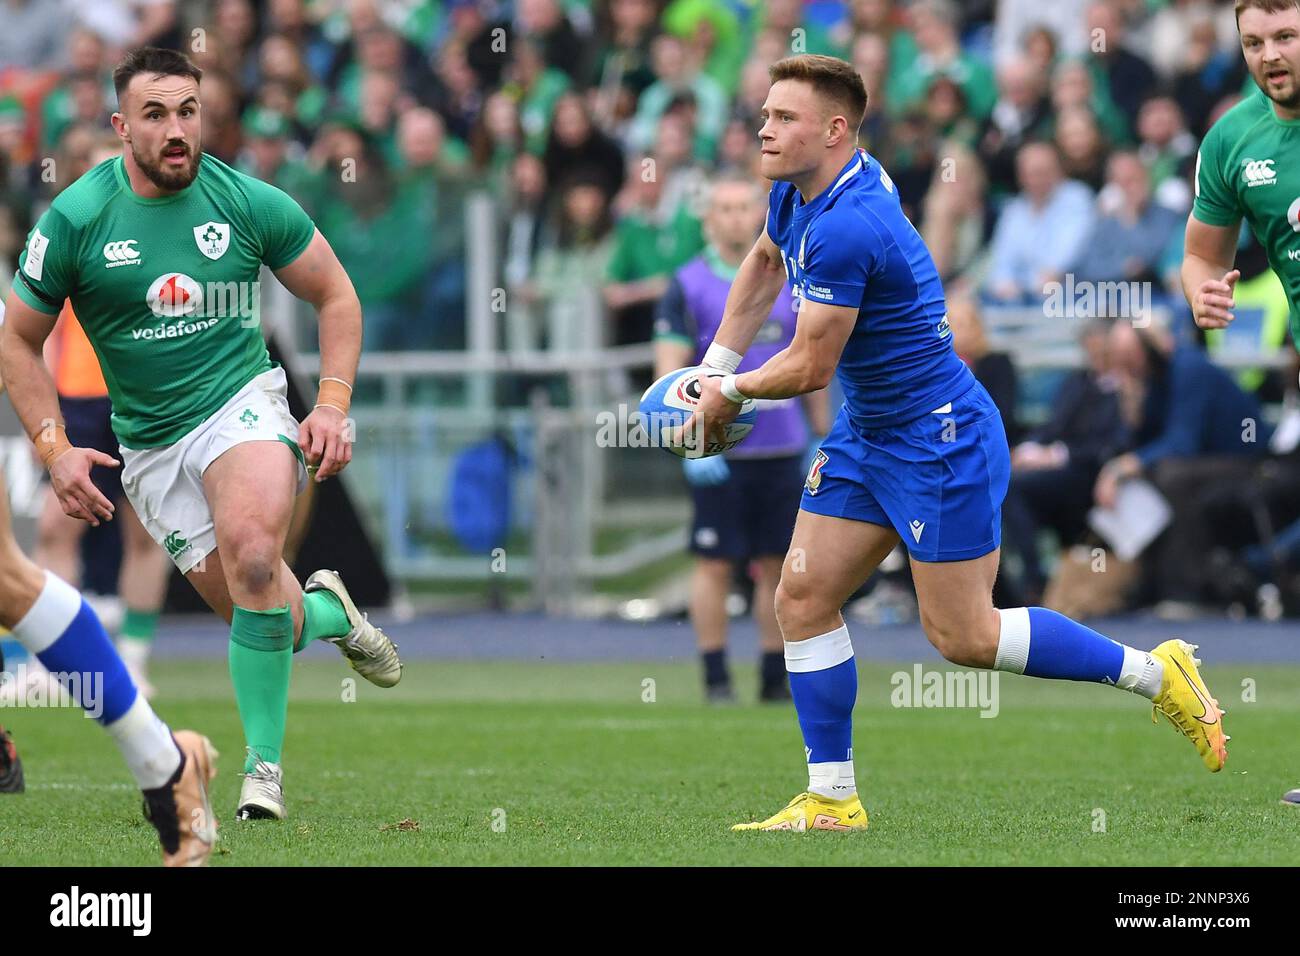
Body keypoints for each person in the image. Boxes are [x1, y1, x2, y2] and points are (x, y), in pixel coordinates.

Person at [687, 54, 1227, 833]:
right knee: (801, 599)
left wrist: (725, 394)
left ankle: (1155, 671)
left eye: (783, 118)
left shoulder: (849, 224)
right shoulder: (797, 189)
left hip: (937, 439)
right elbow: (766, 262)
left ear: (835, 131)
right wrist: (715, 364)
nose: (763, 129)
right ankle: (833, 799)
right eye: (765, 113)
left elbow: (811, 364)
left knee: (965, 637)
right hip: (869, 431)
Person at [1, 47, 402, 823]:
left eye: (188, 110)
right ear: (122, 126)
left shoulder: (248, 201)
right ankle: (330, 613)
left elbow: (336, 295)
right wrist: (54, 451)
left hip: (241, 404)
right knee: (272, 621)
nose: (177, 129)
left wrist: (329, 405)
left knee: (255, 552)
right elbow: (17, 340)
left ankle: (263, 772)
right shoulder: (78, 219)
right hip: (149, 445)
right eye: (155, 115)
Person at [0, 299, 216, 862]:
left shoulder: (149, 220)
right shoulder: (71, 225)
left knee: (9, 579)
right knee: (47, 537)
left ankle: (162, 753)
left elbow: (14, 333)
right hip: (76, 396)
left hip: (143, 388)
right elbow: (32, 327)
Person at [1180, 0, 1300, 805]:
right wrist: (1202, 295)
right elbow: (1199, 255)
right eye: (1253, 41)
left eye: (1286, 36)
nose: (1269, 55)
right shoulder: (1233, 138)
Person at [653, 172, 829, 703]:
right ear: (708, 219)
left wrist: (819, 435)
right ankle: (715, 676)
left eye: (742, 207)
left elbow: (811, 359)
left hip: (781, 451)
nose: (733, 217)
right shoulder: (686, 285)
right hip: (719, 451)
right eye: (723, 208)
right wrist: (684, 445)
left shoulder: (791, 277)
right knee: (714, 562)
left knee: (778, 564)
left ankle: (774, 676)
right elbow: (669, 373)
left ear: (759, 213)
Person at [35, 303, 172, 697]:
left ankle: (132, 660)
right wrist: (45, 417)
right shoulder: (67, 240)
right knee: (54, 529)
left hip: (145, 395)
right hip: (77, 400)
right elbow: (42, 329)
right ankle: (51, 664)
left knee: (146, 532)